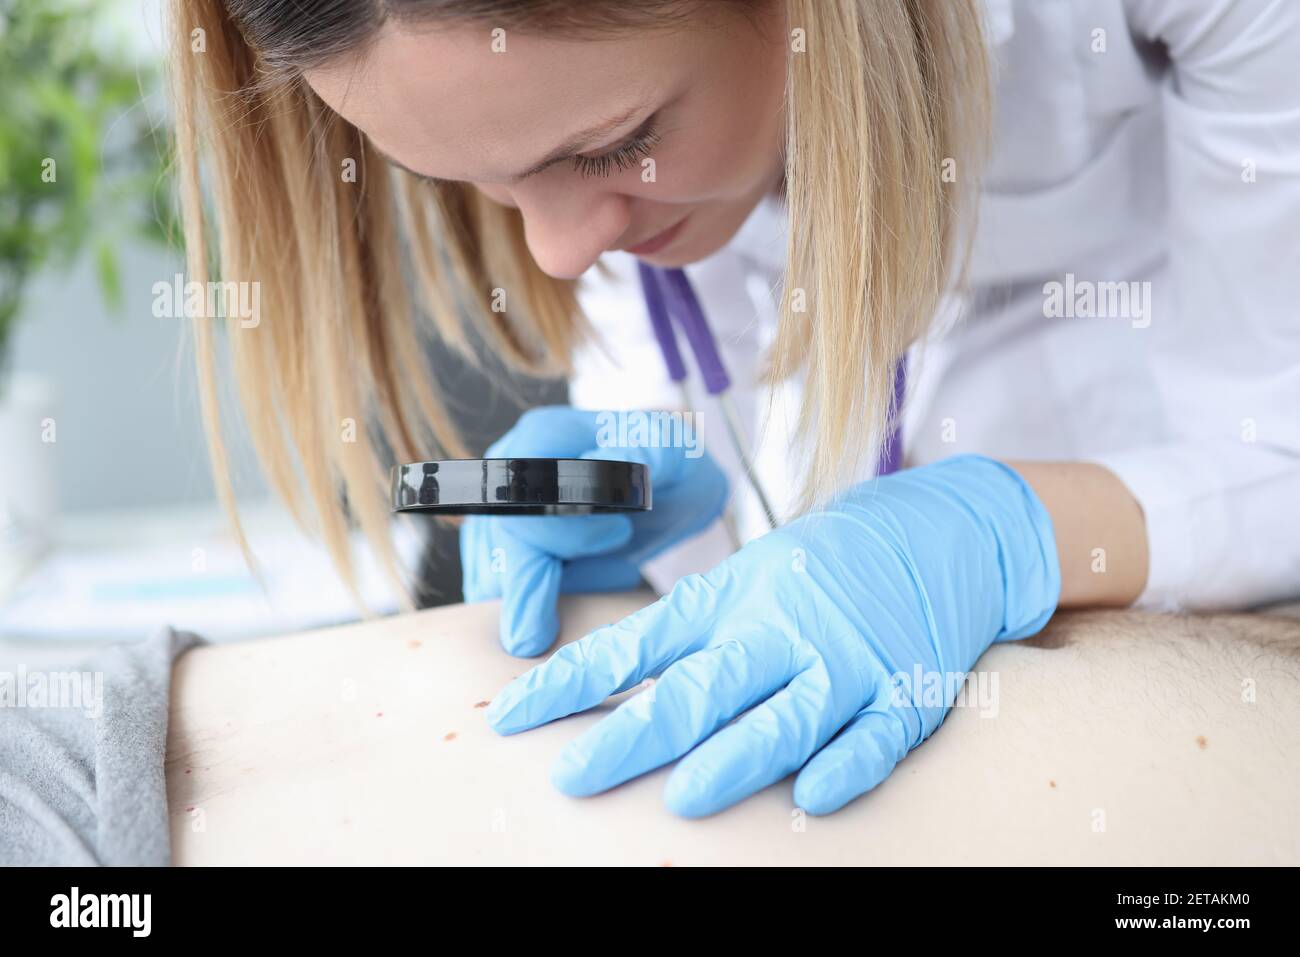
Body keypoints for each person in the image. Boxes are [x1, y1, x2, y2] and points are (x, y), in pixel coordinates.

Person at [169, 0, 1300, 817]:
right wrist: (664, 500)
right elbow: (730, 532)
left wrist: (1005, 536)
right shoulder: (572, 144)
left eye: (616, 145)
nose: (556, 252)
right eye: (472, 178)